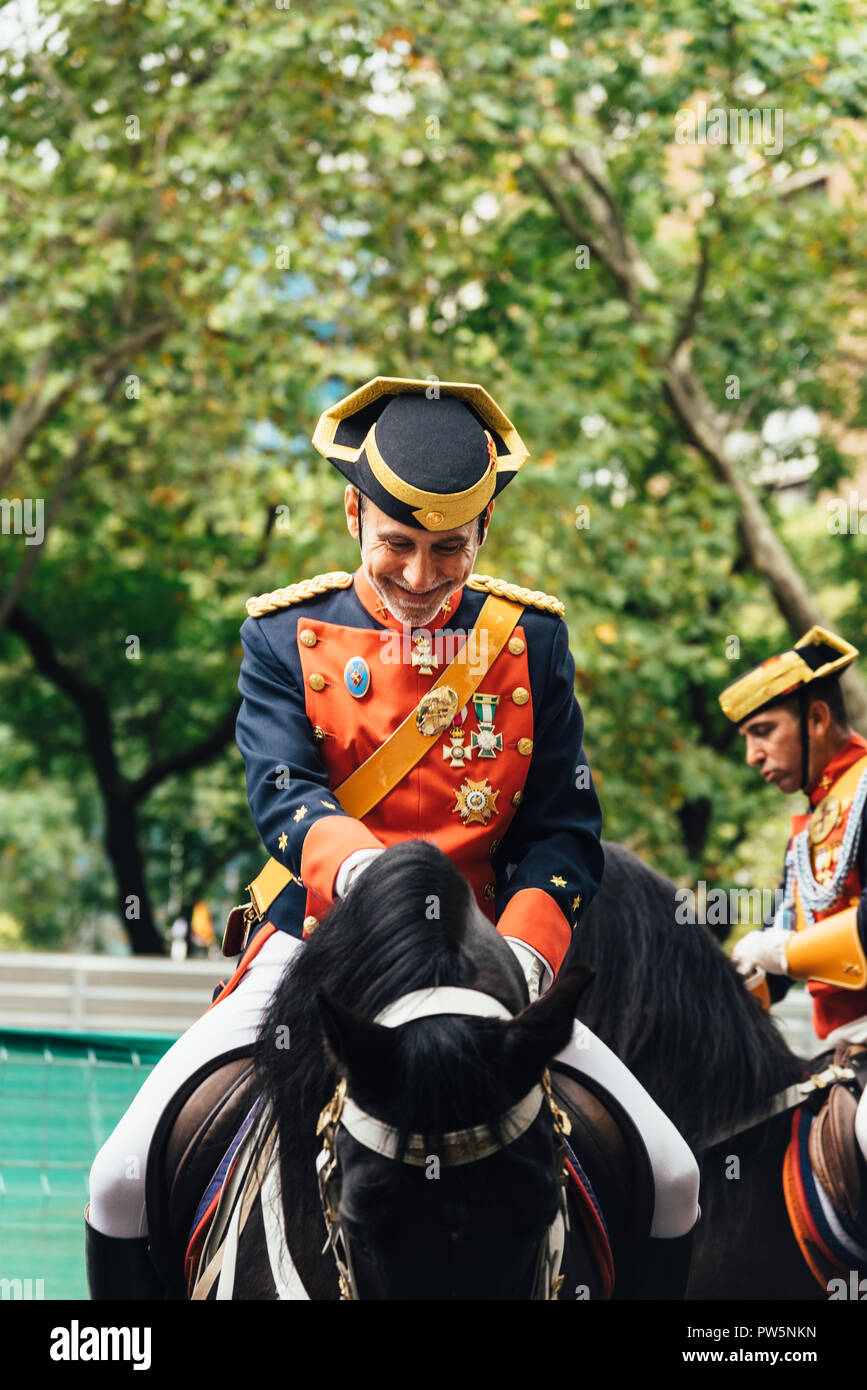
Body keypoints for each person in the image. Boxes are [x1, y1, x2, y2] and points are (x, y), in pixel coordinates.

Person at [86, 376, 698, 1297]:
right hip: (319, 945)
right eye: (396, 546)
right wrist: (367, 880)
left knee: (676, 1175)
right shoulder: (282, 633)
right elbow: (283, 791)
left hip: (492, 959)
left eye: (448, 549)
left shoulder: (531, 640)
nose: (419, 578)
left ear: (483, 531)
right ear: (350, 515)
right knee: (119, 1178)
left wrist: (527, 953)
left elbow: (563, 829)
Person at [719, 626, 867, 1164]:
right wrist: (737, 984)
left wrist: (781, 951)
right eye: (747, 740)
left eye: (763, 731)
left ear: (818, 718)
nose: (754, 755)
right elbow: (780, 966)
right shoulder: (806, 830)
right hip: (840, 1053)